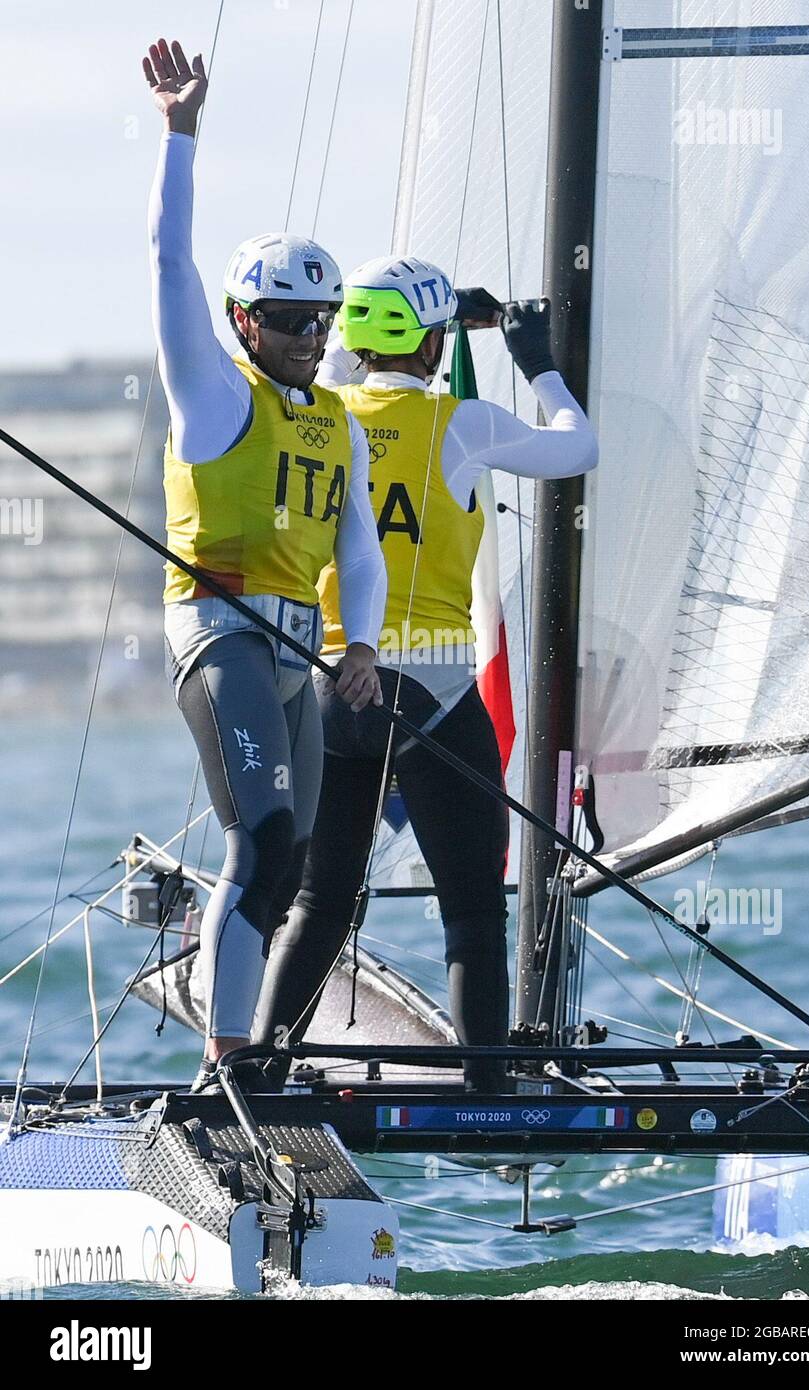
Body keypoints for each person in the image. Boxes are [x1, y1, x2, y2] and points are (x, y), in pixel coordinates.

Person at [253, 254, 598, 1090]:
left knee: (321, 904)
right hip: (437, 687)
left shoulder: (321, 412)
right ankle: (486, 1087)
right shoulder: (464, 424)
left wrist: (429, 316)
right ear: (434, 341)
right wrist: (536, 360)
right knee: (473, 909)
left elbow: (344, 365)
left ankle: (257, 1065)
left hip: (334, 680)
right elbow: (576, 448)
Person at [143, 39, 386, 1091]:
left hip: (301, 646)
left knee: (291, 865)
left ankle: (247, 1046)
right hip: (220, 627)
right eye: (286, 319)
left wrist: (363, 644)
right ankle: (229, 1064)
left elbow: (360, 548)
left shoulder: (338, 419)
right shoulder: (215, 394)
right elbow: (165, 262)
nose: (306, 334)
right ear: (246, 321)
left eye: (319, 320)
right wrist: (179, 135)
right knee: (266, 836)